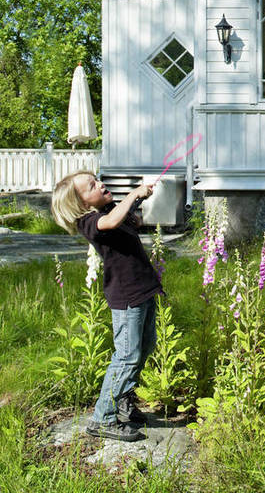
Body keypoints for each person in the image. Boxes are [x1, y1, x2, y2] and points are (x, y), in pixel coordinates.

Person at [51, 171, 161, 442]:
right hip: (126, 297)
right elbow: (110, 222)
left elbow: (133, 222)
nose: (101, 184)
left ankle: (123, 400)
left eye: (97, 179)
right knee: (126, 356)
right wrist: (134, 193)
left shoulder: (110, 210)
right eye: (92, 186)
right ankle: (103, 418)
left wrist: (139, 201)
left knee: (145, 347)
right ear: (82, 203)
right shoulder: (89, 222)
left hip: (143, 288)